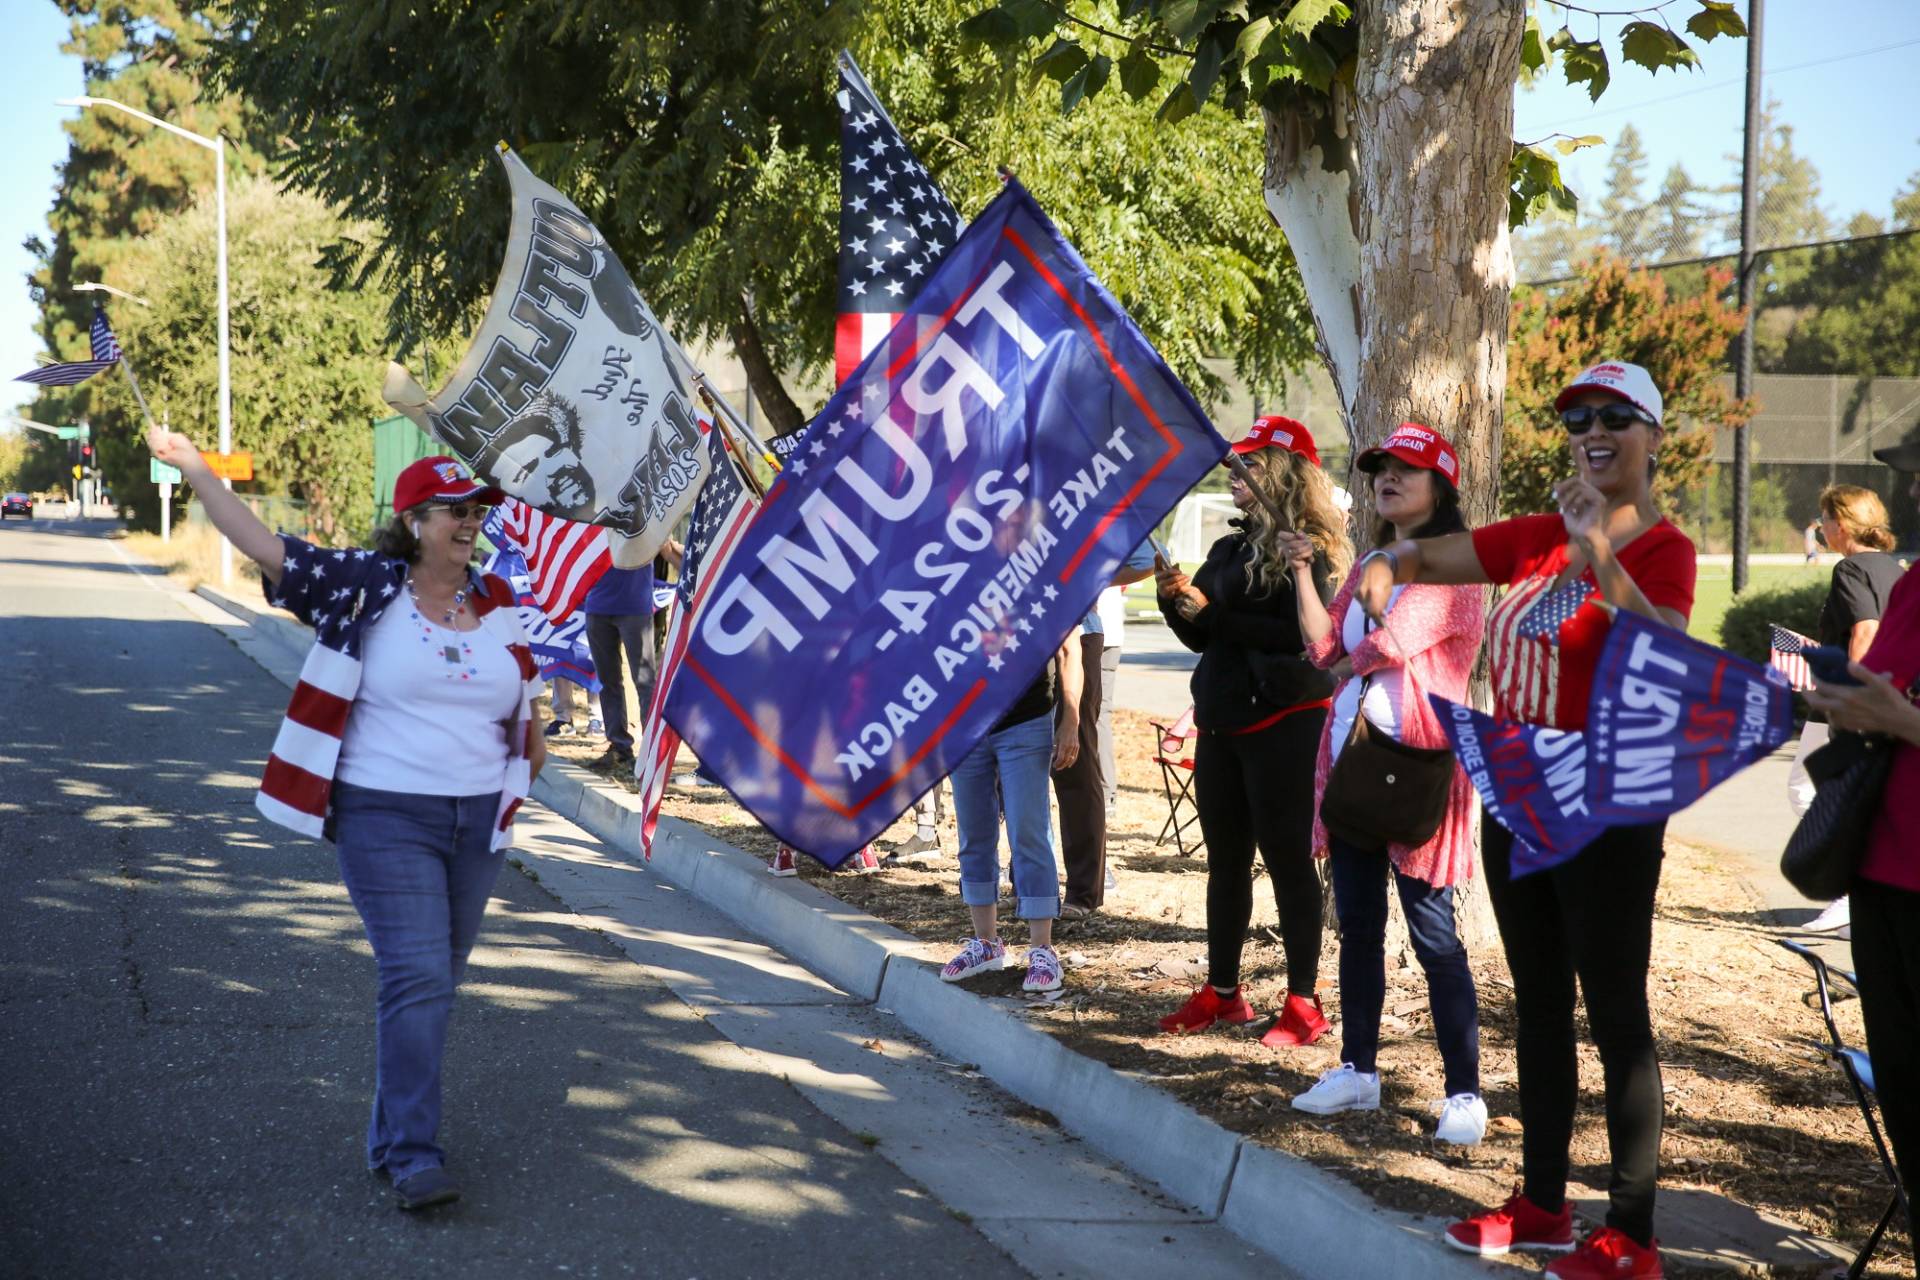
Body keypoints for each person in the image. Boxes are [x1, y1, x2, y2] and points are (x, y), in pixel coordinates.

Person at [146, 428, 547, 1212]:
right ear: (412, 521)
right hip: (384, 812)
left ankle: (388, 1133)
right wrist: (196, 468)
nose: (469, 522)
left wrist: (532, 748)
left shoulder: (497, 600)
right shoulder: (364, 584)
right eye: (451, 511)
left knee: (434, 981)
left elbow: (522, 695)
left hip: (477, 823)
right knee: (420, 974)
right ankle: (412, 1154)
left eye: (476, 511)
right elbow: (266, 544)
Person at [1353, 361, 1694, 1278]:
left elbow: (1662, 649)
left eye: (1614, 416)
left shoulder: (1663, 547)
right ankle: (1544, 1202)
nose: (1592, 428)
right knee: (1539, 1003)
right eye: (1578, 415)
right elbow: (1431, 551)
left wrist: (1598, 553)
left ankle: (1631, 1234)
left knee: (1615, 1013)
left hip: (1609, 808)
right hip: (1520, 793)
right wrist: (1388, 557)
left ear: (1652, 435)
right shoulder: (1541, 534)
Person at [1282, 425, 1489, 1146]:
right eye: (1381, 471)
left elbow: (1387, 643)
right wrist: (1306, 573)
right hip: (1353, 769)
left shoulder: (1452, 566)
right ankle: (1357, 1071)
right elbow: (1322, 647)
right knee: (1360, 927)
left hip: (1421, 774)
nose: (1389, 479)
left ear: (1442, 487)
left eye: (1408, 469)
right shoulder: (1373, 561)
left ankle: (1464, 1091)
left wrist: (1346, 662)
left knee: (1435, 936)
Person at [1154, 416, 1351, 1047]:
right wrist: (1173, 600)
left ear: (1288, 471)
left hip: (1285, 724)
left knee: (1290, 864)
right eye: (1234, 462)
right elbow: (1204, 635)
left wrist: (1220, 618)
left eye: (1251, 463)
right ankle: (1223, 993)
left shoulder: (1312, 546)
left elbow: (1305, 639)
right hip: (1223, 724)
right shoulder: (1230, 549)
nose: (1234, 473)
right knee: (1226, 865)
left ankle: (1303, 1001)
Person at [1803, 442, 1919, 1280]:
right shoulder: (1911, 584)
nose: (1911, 485)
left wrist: (1897, 717)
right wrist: (1822, 694)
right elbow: (1873, 689)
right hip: (1880, 874)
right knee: (1907, 1096)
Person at [1785, 484, 1905, 935]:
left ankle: (1848, 889)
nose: (1821, 527)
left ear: (1840, 524)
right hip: (1887, 698)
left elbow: (1865, 632)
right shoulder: (1894, 568)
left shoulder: (1850, 569)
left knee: (1805, 789)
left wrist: (1852, 701)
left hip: (1849, 701)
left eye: (1824, 519)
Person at [940, 632, 1083, 994]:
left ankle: (1041, 948)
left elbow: (1068, 648)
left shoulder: (1039, 575)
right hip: (963, 720)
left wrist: (1071, 719)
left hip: (1026, 718)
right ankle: (986, 944)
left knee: (1029, 831)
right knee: (974, 832)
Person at [1056, 541, 1157, 919]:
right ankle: (1029, 883)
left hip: (1080, 637)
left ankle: (1083, 891)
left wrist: (1086, 582)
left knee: (1075, 761)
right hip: (1024, 640)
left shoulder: (1090, 504)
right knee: (1020, 765)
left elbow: (1150, 556)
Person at [580, 564, 658, 772]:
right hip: (597, 604)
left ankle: (654, 751)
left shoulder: (647, 528)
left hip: (634, 605)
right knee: (608, 681)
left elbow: (660, 543)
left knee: (645, 681)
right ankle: (619, 747)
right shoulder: (592, 528)